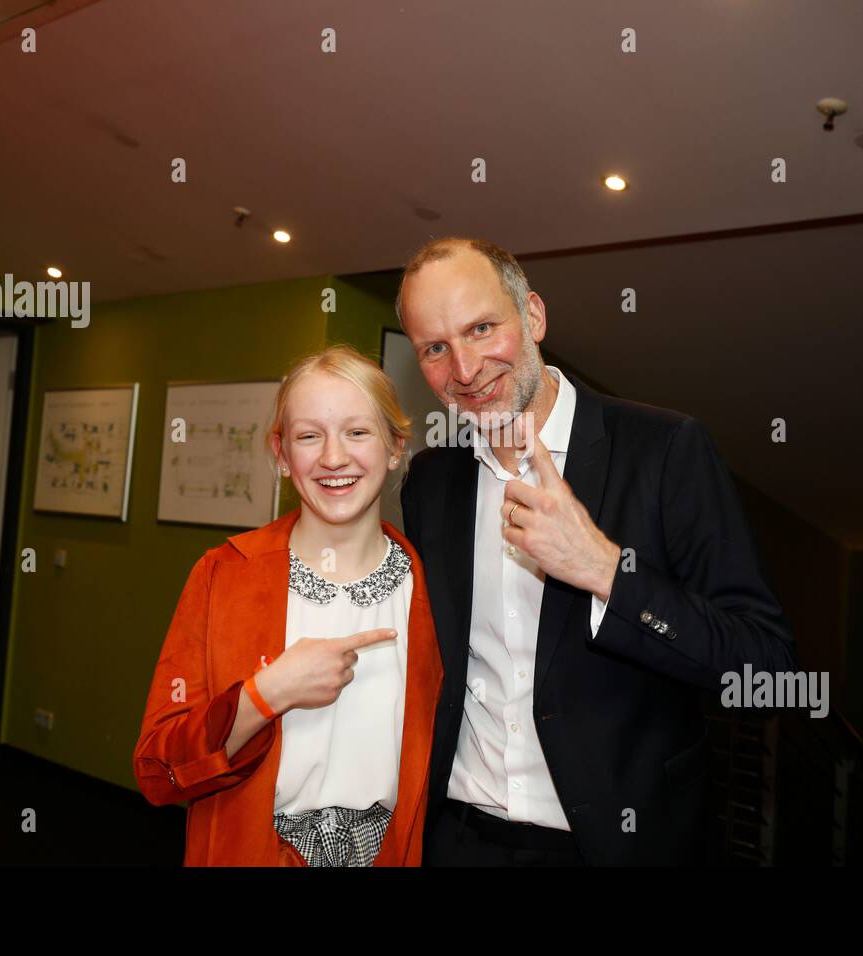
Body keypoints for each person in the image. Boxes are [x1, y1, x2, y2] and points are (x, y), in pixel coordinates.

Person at [396, 237, 798, 866]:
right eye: (435, 349)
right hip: (461, 839)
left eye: (481, 328)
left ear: (532, 317)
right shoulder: (431, 480)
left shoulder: (665, 451)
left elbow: (765, 668)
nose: (466, 370)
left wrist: (605, 571)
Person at [133, 345, 442, 866]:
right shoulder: (222, 575)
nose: (333, 457)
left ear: (396, 447)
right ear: (280, 454)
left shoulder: (434, 589)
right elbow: (159, 771)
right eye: (308, 436)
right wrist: (266, 693)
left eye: (358, 431)